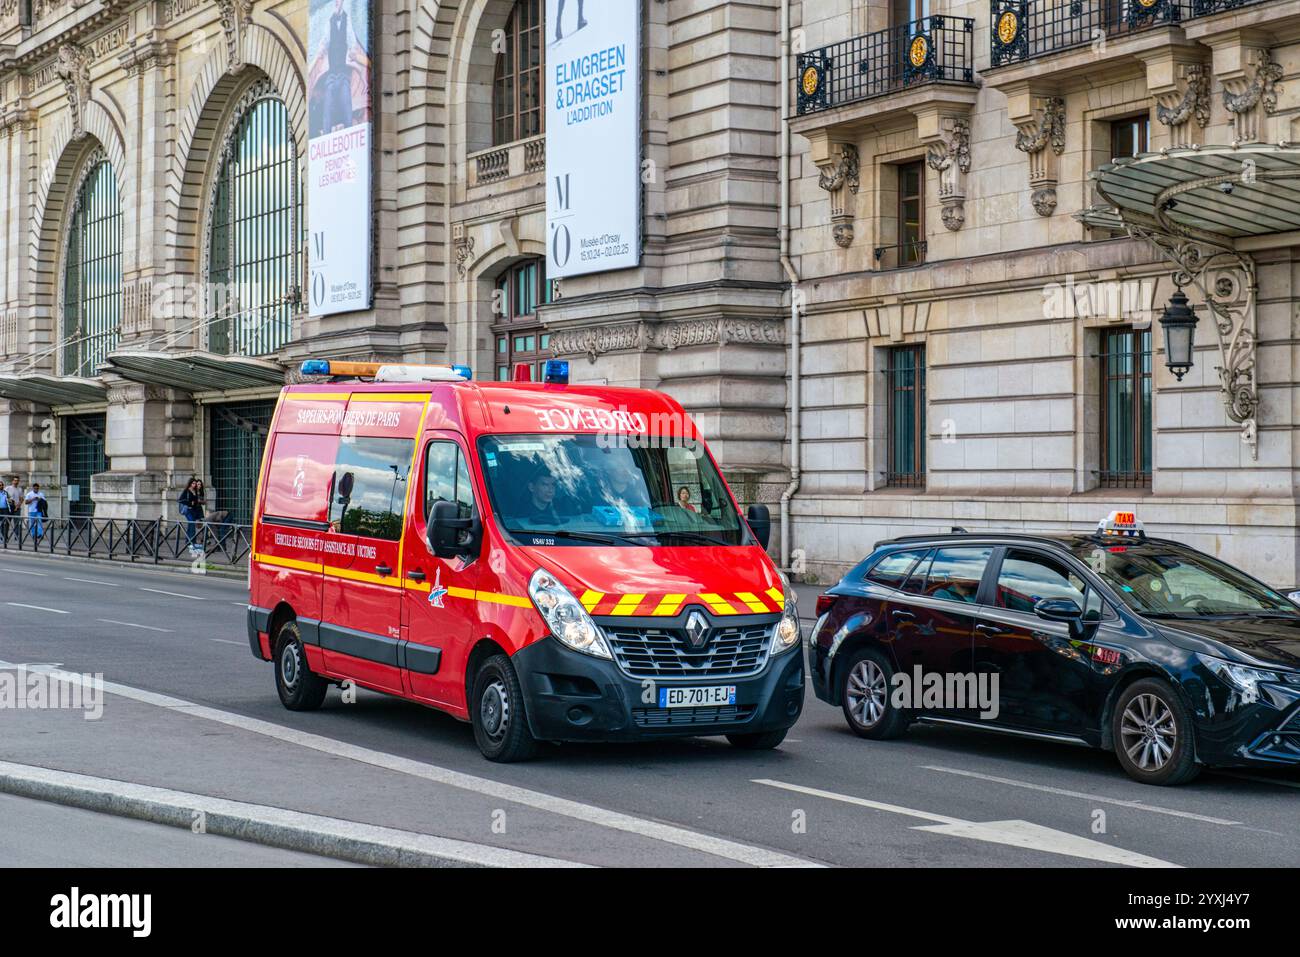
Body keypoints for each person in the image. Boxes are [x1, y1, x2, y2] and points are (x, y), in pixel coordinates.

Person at [178, 477, 205, 552]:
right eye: (193, 483)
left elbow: (195, 502)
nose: (194, 485)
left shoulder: (195, 491)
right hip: (187, 510)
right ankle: (193, 541)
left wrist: (198, 502)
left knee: (191, 524)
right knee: (192, 523)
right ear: (190, 483)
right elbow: (180, 500)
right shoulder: (186, 491)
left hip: (193, 510)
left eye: (195, 483)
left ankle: (188, 540)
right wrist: (190, 503)